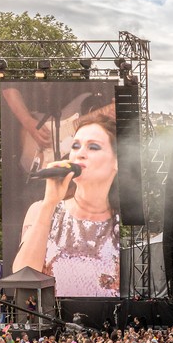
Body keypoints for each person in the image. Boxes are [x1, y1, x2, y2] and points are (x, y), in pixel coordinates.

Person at [13, 110, 120, 298]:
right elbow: (23, 277)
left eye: (93, 147)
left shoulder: (125, 224)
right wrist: (49, 204)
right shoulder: (41, 210)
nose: (80, 154)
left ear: (117, 162)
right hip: (53, 323)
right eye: (75, 146)